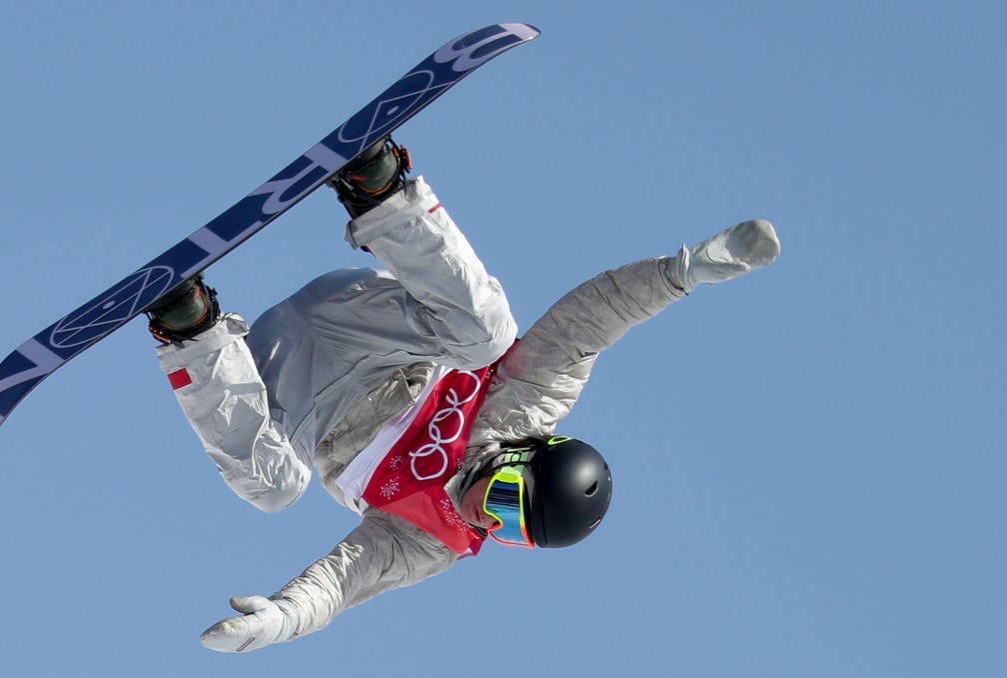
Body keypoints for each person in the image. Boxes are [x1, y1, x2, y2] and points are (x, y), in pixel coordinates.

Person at [144, 137, 781, 652]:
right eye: (506, 501)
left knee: (276, 489)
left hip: (291, 383)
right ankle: (380, 191)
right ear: (522, 458)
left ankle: (188, 326)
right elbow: (592, 320)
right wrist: (684, 272)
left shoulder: (431, 536)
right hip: (365, 327)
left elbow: (345, 581)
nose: (486, 516)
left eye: (505, 530)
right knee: (488, 336)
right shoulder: (525, 406)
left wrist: (284, 617)